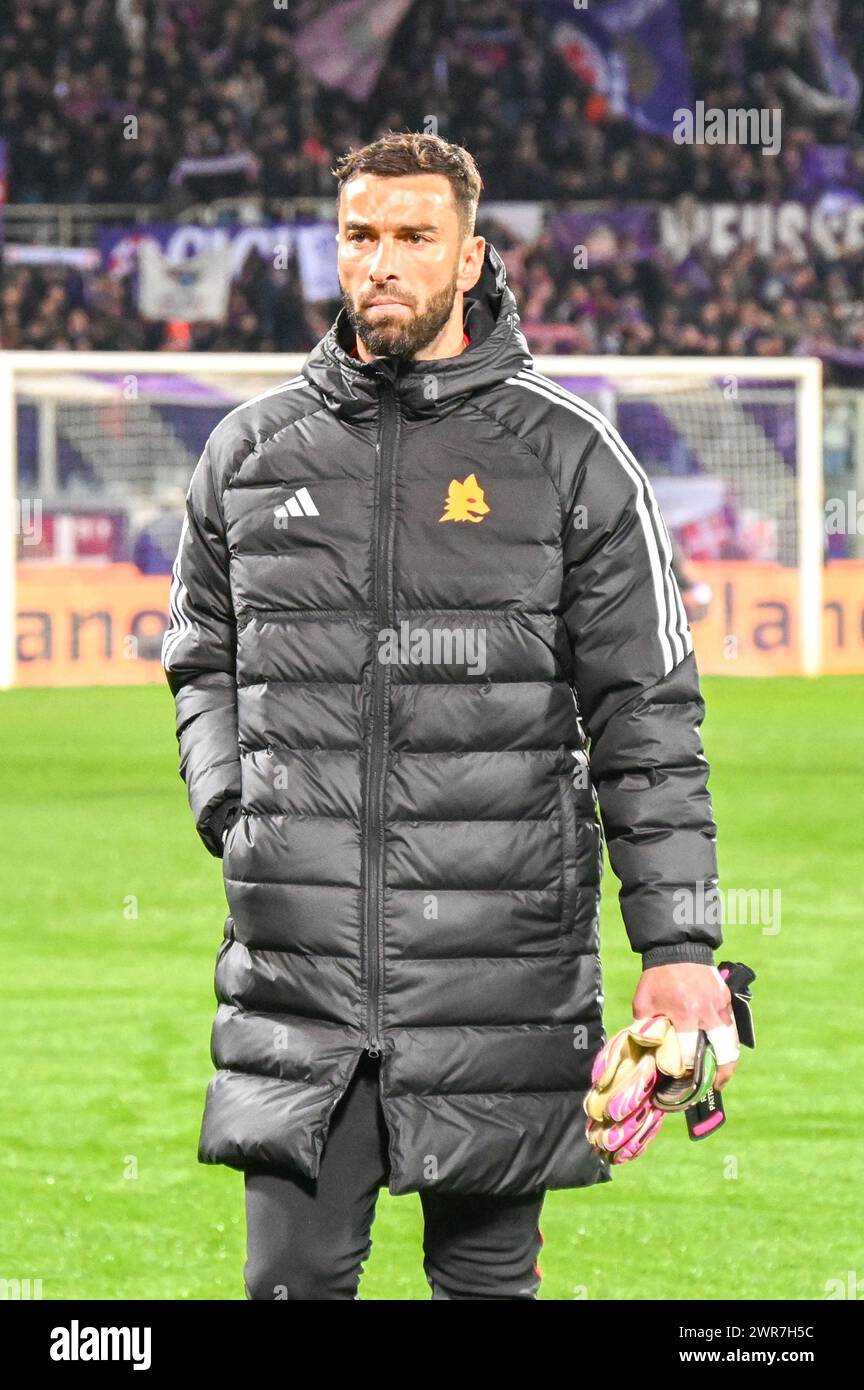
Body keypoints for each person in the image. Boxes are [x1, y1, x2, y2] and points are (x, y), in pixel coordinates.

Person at [162, 131, 737, 1301]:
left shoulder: (572, 460)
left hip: (500, 978)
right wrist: (236, 799)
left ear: (471, 256)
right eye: (361, 236)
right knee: (290, 1281)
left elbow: (646, 716)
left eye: (414, 238)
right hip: (300, 970)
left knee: (482, 1290)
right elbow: (199, 652)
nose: (382, 262)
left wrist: (678, 949)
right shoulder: (248, 454)